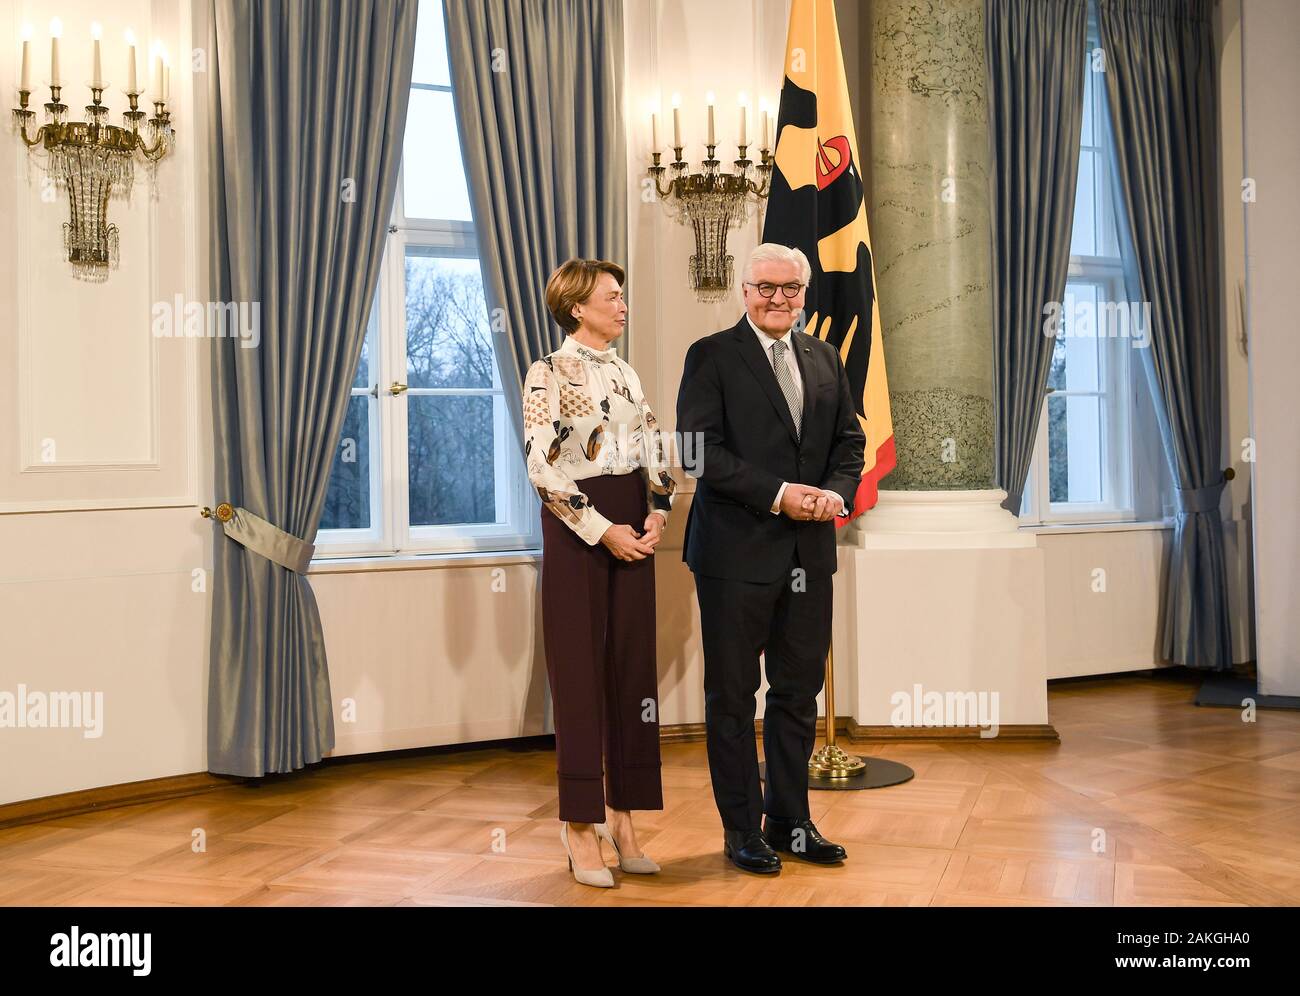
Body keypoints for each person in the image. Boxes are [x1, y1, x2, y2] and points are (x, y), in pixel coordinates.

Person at [676, 242, 865, 874]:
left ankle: (790, 820)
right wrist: (782, 496)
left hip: (810, 554)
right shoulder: (711, 356)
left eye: (790, 289)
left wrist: (834, 497)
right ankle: (741, 829)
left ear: (804, 295)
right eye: (765, 288)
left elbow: (849, 441)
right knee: (732, 697)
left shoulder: (824, 357)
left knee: (798, 692)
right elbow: (699, 454)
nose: (777, 298)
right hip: (734, 555)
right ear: (744, 290)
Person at [523, 258, 675, 888]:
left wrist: (659, 508)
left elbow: (651, 444)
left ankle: (625, 815)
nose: (622, 305)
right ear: (578, 306)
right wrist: (601, 529)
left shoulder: (626, 372)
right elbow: (542, 465)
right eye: (612, 297)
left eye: (623, 296)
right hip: (579, 529)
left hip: (633, 523)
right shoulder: (547, 372)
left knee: (632, 672)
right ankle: (579, 825)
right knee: (580, 674)